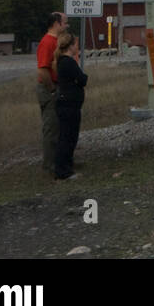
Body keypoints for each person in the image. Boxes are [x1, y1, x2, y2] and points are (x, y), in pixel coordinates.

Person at [53, 32, 88, 180]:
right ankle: (63, 171)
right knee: (67, 137)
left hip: (68, 103)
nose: (77, 47)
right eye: (75, 45)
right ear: (70, 46)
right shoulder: (68, 61)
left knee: (67, 136)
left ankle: (66, 166)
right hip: (69, 104)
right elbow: (82, 79)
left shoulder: (62, 61)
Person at [36, 12, 66, 174]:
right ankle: (50, 165)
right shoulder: (47, 42)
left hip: (57, 86)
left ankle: (60, 161)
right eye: (64, 23)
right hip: (49, 88)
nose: (66, 26)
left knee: (59, 127)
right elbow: (42, 70)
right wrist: (53, 89)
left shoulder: (57, 42)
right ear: (56, 23)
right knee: (51, 127)